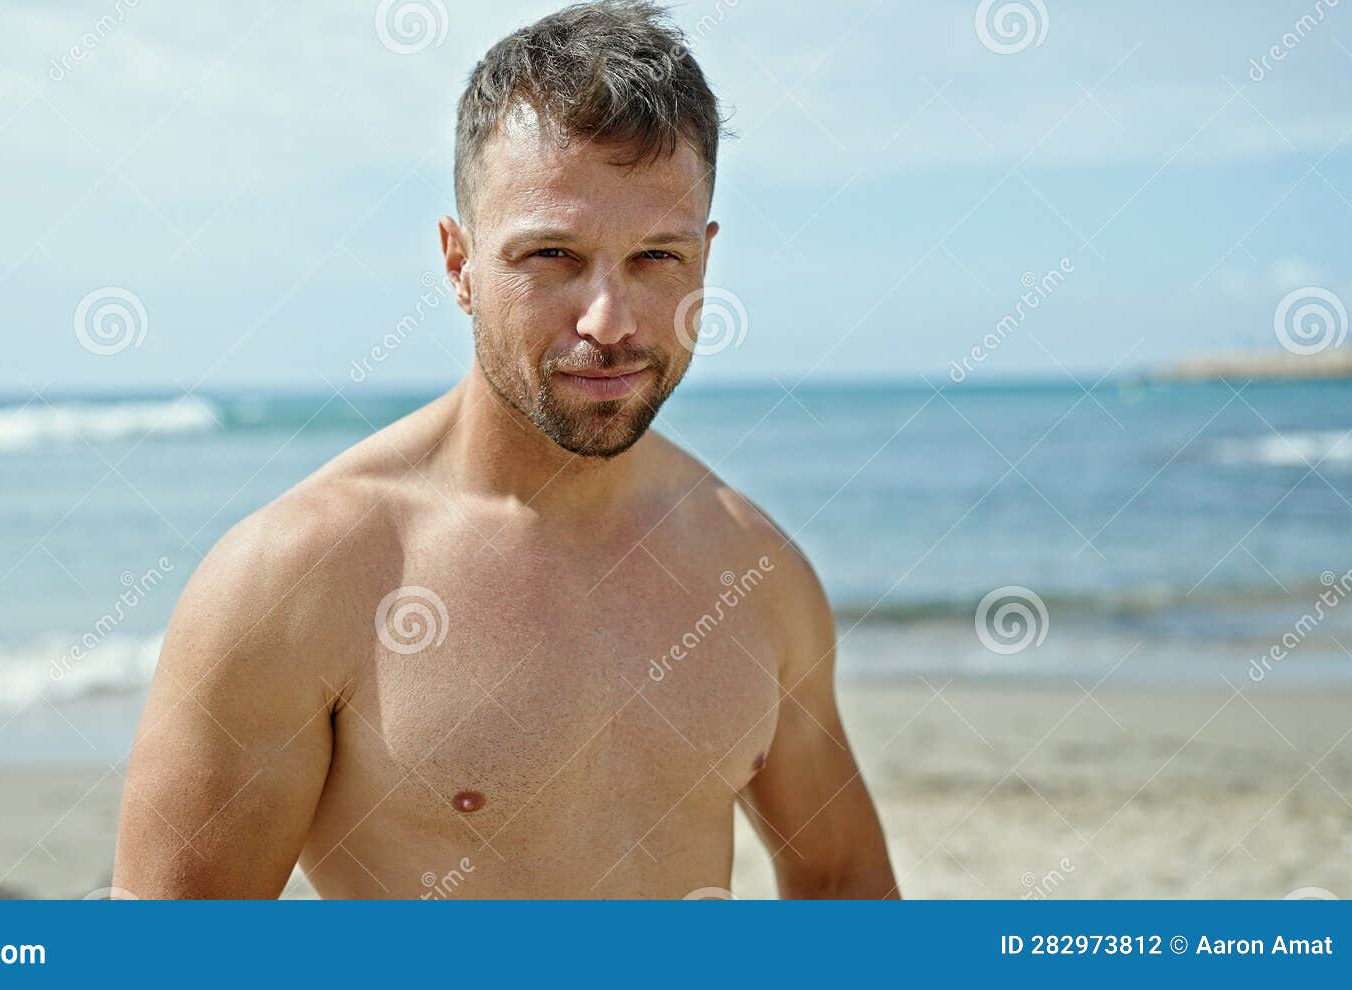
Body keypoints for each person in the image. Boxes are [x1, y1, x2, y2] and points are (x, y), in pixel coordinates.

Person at [114, 0, 897, 899]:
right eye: (552, 254)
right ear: (459, 265)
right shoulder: (297, 579)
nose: (608, 321)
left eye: (656, 259)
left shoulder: (755, 571)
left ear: (705, 262)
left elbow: (843, 885)